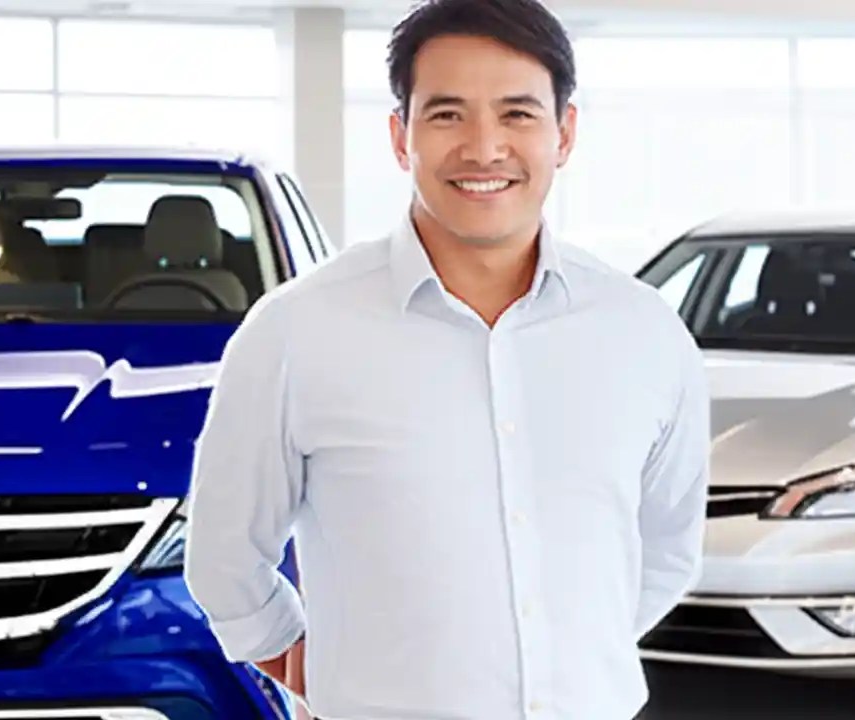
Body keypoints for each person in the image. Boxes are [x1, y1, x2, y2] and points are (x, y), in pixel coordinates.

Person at [182, 0, 711, 717]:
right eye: (447, 114)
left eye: (519, 113)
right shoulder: (296, 331)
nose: (485, 147)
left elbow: (665, 550)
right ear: (401, 138)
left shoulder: (643, 331)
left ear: (566, 133)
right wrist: (319, 665)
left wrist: (562, 660)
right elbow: (224, 559)